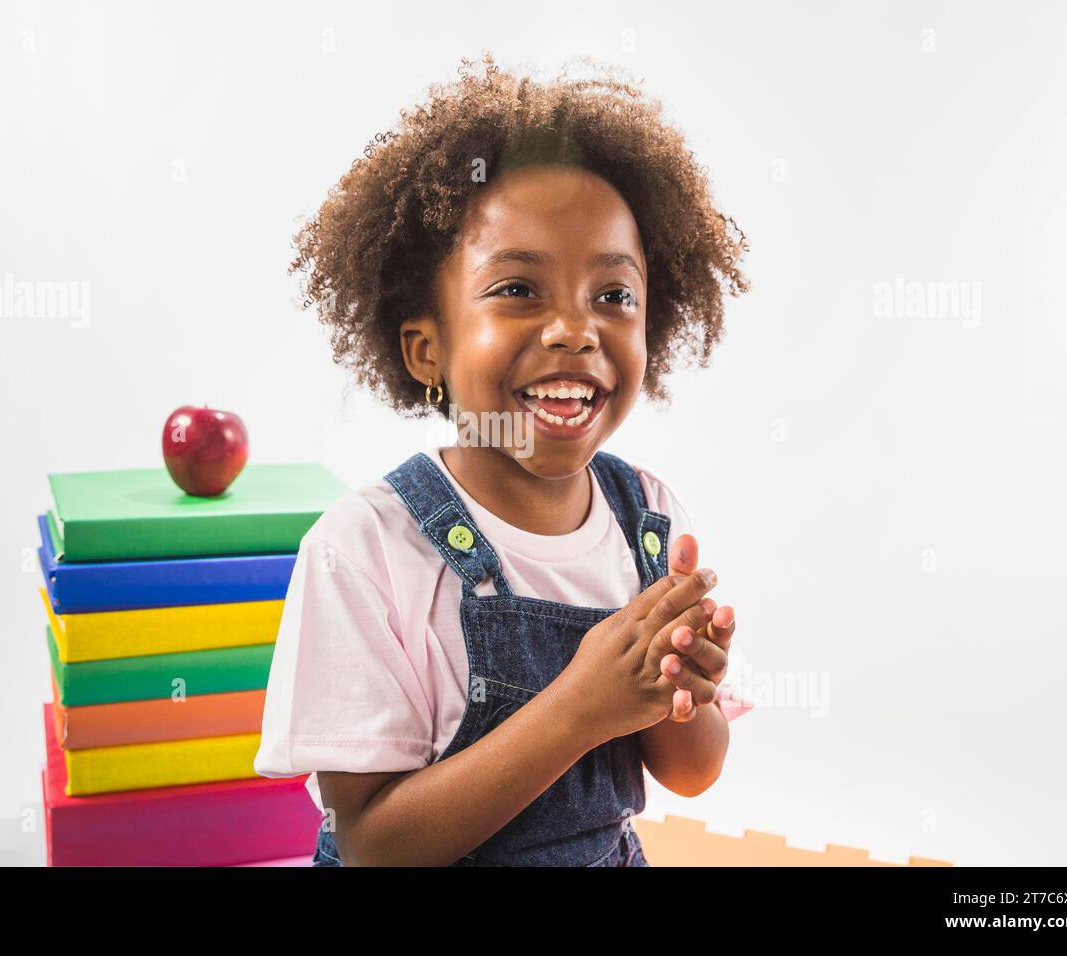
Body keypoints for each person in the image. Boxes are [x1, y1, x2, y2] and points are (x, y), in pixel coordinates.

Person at [254, 52, 750, 866]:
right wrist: (577, 709)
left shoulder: (650, 525)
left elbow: (689, 776)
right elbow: (373, 843)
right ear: (425, 349)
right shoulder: (366, 550)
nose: (575, 330)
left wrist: (684, 689)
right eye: (519, 289)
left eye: (613, 296)